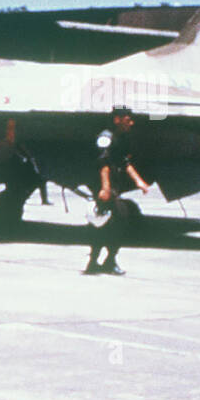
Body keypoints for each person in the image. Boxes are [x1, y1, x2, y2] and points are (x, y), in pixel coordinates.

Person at [84, 107, 150, 275]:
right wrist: (105, 189)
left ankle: (97, 263)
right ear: (117, 120)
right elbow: (103, 165)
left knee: (107, 225)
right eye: (128, 119)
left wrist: (139, 182)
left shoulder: (120, 138)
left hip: (113, 188)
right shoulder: (106, 138)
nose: (131, 123)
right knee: (113, 224)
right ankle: (106, 262)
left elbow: (124, 163)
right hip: (104, 189)